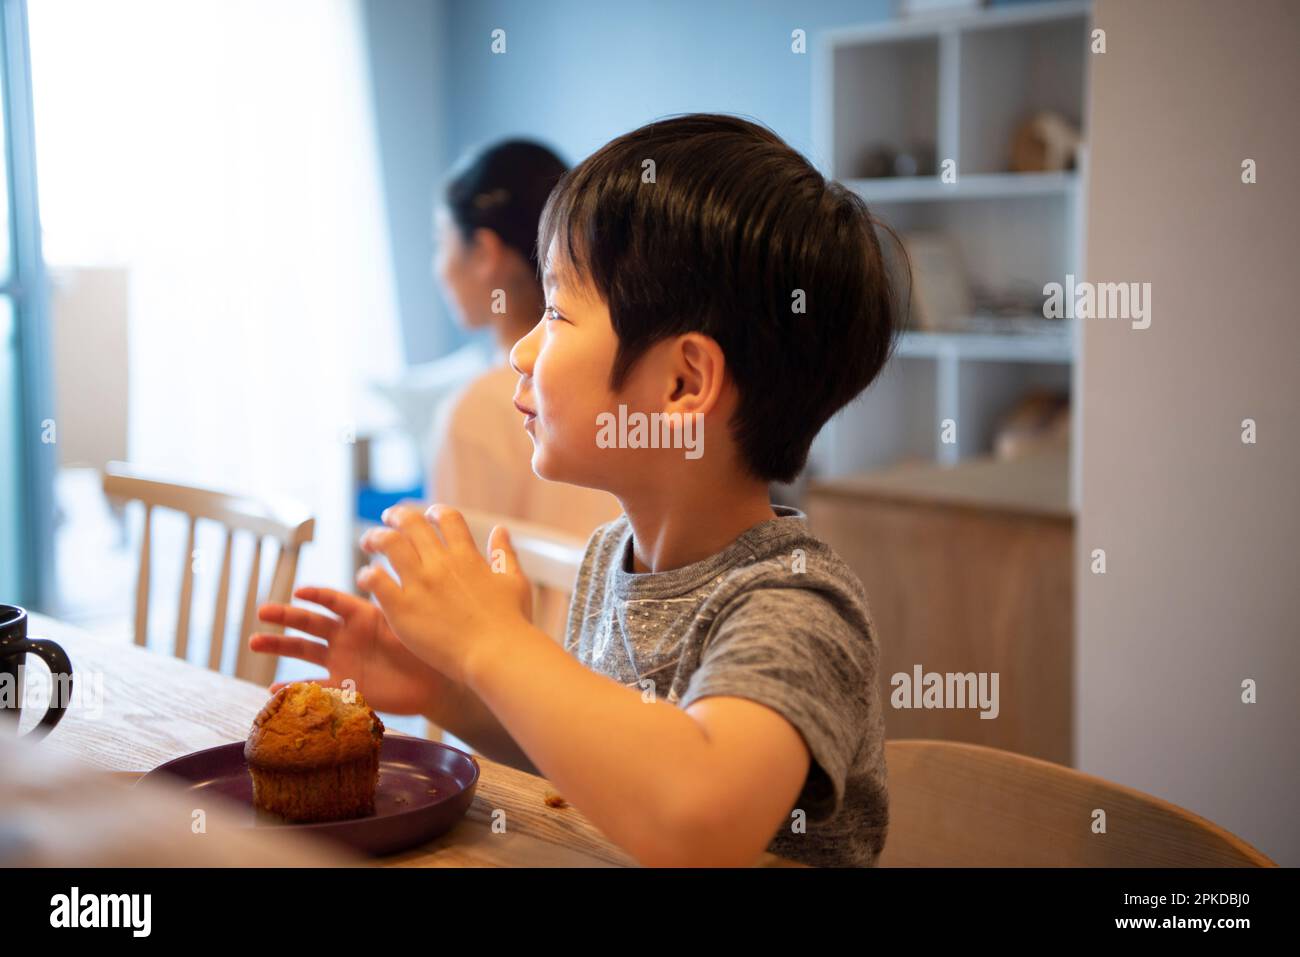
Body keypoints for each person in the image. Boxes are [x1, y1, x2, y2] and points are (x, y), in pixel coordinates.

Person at [253, 113, 904, 867]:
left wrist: (495, 643)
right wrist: (450, 690)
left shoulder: (795, 606)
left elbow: (698, 814)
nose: (524, 346)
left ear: (683, 383)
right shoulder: (611, 557)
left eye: (558, 312)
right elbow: (600, 767)